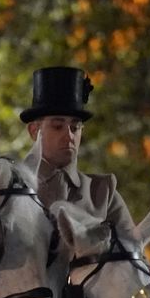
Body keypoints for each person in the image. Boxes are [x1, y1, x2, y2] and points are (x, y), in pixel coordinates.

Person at [20, 66, 134, 229]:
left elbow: (131, 249)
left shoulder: (102, 194)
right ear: (34, 131)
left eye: (75, 127)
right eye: (58, 126)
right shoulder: (13, 189)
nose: (69, 135)